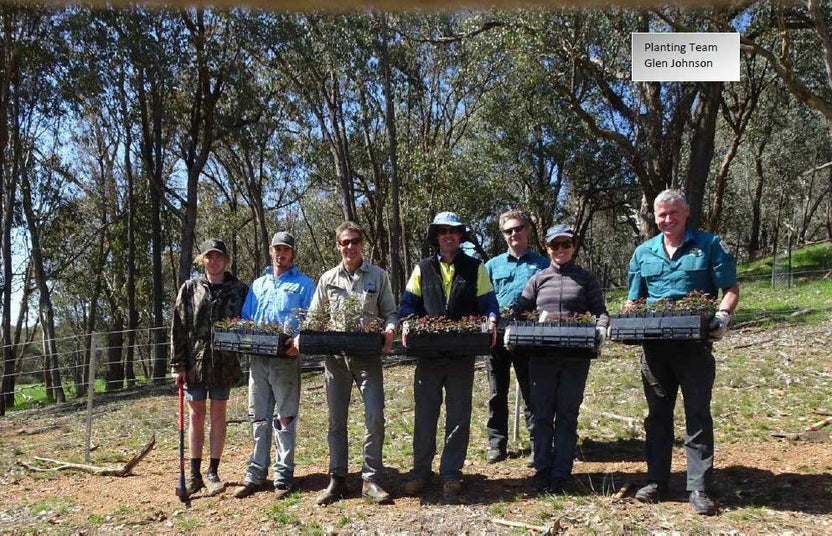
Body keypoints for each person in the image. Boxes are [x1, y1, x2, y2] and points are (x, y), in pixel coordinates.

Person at [627, 189, 739, 516]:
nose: (667, 220)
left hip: (694, 348)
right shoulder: (643, 252)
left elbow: (730, 288)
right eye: (661, 215)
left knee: (697, 414)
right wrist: (625, 322)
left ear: (686, 212)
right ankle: (657, 481)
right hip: (655, 350)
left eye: (673, 213)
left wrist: (722, 316)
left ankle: (698, 487)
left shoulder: (709, 245)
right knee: (657, 416)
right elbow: (634, 300)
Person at [400, 211, 499, 500]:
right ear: (436, 236)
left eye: (453, 231)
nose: (448, 236)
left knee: (458, 415)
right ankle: (420, 472)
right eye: (443, 231)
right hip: (429, 355)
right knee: (425, 415)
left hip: (461, 355)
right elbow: (408, 304)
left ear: (460, 236)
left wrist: (492, 319)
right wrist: (407, 322)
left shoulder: (475, 267)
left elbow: (488, 303)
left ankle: (451, 474)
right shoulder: (422, 268)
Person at [513, 224, 608, 493]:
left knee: (567, 413)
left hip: (575, 357)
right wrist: (527, 324)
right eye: (555, 245)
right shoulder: (538, 279)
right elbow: (520, 312)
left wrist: (601, 328)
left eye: (566, 244)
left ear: (573, 247)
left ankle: (561, 472)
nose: (560, 249)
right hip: (542, 357)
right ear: (547, 248)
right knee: (542, 413)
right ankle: (542, 469)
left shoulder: (586, 279)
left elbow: (600, 311)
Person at [309, 221, 398, 506]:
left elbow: (391, 312)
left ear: (362, 244)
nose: (350, 246)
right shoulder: (327, 279)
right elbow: (314, 318)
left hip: (367, 357)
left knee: (374, 415)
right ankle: (337, 479)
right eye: (345, 242)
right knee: (336, 420)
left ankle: (370, 479)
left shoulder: (378, 276)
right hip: (336, 360)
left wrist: (390, 330)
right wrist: (306, 335)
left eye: (355, 241)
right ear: (338, 245)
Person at [233, 232, 315, 500]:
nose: (281, 254)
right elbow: (246, 318)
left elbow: (312, 320)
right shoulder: (258, 285)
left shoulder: (304, 285)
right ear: (271, 251)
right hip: (258, 361)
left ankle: (283, 475)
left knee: (285, 417)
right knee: (258, 416)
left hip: (286, 360)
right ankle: (255, 474)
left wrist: (298, 343)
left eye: (286, 250)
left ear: (292, 253)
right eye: (277, 249)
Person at [171, 238, 248, 497]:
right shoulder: (190, 288)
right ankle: (194, 475)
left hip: (224, 363)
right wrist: (178, 364)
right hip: (195, 362)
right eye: (209, 256)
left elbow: (249, 323)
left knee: (218, 414)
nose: (214, 261)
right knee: (196, 415)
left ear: (226, 260)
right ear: (202, 260)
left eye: (218, 257)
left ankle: (213, 472)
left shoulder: (239, 289)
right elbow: (178, 327)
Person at [484, 210, 549, 465]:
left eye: (518, 228)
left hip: (530, 336)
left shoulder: (542, 264)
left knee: (532, 392)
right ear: (503, 235)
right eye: (508, 230)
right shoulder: (492, 266)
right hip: (497, 336)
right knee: (496, 392)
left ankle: (537, 445)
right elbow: (484, 299)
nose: (514, 234)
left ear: (527, 230)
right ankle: (496, 444)